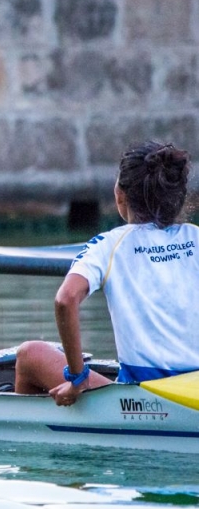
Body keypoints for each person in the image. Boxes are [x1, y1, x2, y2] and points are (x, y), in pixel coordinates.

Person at [14, 141, 199, 406]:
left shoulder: (109, 244)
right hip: (194, 391)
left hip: (142, 396)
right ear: (179, 197)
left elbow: (65, 299)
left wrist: (78, 378)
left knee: (29, 354)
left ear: (119, 194)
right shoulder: (196, 237)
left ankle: (28, 431)